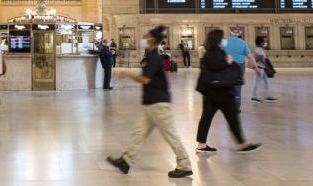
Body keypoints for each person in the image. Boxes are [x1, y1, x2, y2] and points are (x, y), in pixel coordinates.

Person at [106, 26, 193, 178]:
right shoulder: (154, 54)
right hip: (151, 102)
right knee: (139, 133)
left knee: (170, 135)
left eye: (147, 36)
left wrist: (127, 74)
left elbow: (145, 79)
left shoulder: (153, 55)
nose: (144, 38)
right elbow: (163, 77)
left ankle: (184, 164)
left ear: (152, 39)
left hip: (158, 103)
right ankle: (126, 160)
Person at [195, 29, 262, 154]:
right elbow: (219, 68)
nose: (224, 40)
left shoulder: (207, 53)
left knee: (206, 117)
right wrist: (229, 62)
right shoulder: (219, 53)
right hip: (223, 92)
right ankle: (242, 144)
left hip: (209, 92)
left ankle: (201, 144)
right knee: (232, 117)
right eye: (222, 38)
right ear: (218, 40)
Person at [223, 27, 257, 110]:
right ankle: (237, 107)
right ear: (239, 33)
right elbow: (250, 56)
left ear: (230, 32)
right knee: (237, 85)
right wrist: (256, 67)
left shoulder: (225, 42)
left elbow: (220, 54)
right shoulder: (243, 43)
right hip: (239, 66)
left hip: (228, 65)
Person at [251, 36, 277, 104]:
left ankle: (268, 96)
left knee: (267, 82)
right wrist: (259, 69)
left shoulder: (259, 49)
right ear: (260, 42)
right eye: (263, 41)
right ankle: (253, 97)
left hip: (262, 68)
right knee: (257, 82)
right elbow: (262, 61)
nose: (264, 43)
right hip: (260, 68)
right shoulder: (258, 50)